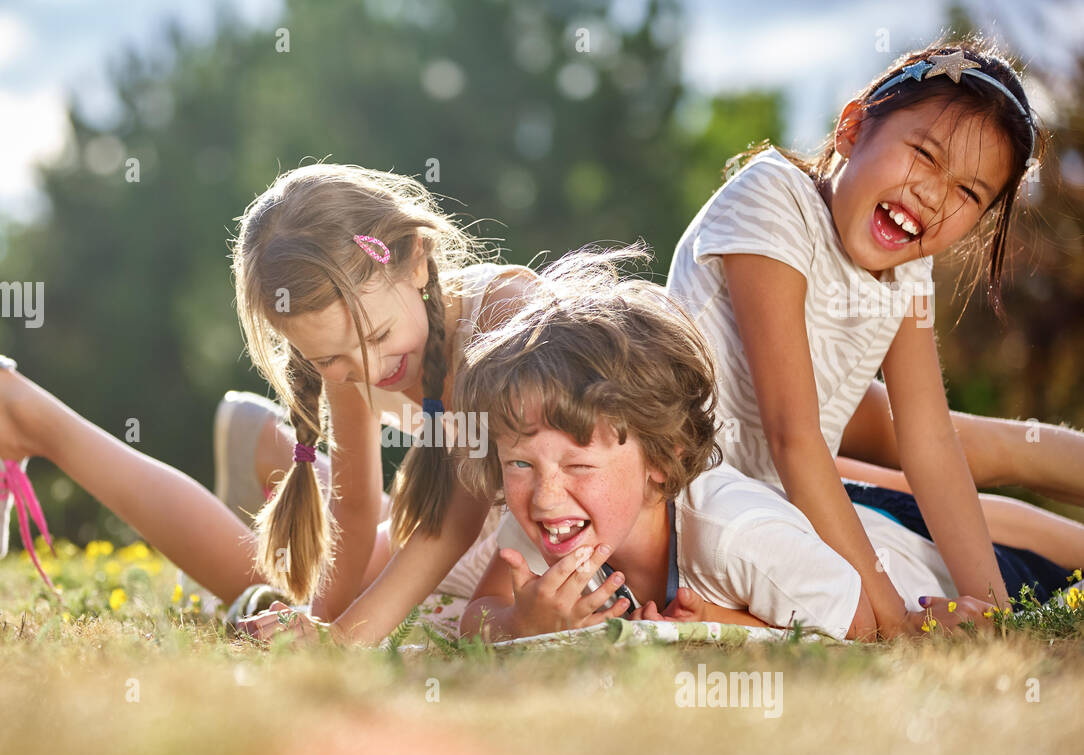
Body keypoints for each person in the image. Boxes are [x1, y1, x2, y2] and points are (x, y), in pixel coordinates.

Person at [0, 164, 536, 645]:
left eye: (378, 338)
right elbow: (354, 519)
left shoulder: (505, 316)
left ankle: (263, 447)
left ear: (415, 261)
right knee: (282, 594)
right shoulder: (348, 359)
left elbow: (457, 517)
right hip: (457, 534)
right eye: (329, 361)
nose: (369, 369)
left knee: (348, 600)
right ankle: (18, 412)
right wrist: (314, 622)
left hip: (491, 528)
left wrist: (337, 639)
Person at [454, 246, 1081, 642]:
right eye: (518, 462)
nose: (542, 494)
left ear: (661, 465)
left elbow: (875, 628)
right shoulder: (547, 519)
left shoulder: (737, 536)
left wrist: (729, 626)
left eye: (579, 464)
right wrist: (518, 622)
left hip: (942, 576)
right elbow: (482, 608)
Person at [666, 40, 1082, 634]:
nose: (933, 195)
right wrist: (895, 622)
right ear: (853, 127)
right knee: (868, 587)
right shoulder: (773, 198)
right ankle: (735, 615)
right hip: (698, 498)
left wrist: (991, 609)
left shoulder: (908, 274)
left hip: (788, 502)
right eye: (923, 154)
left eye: (968, 193)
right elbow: (794, 435)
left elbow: (931, 443)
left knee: (1008, 566)